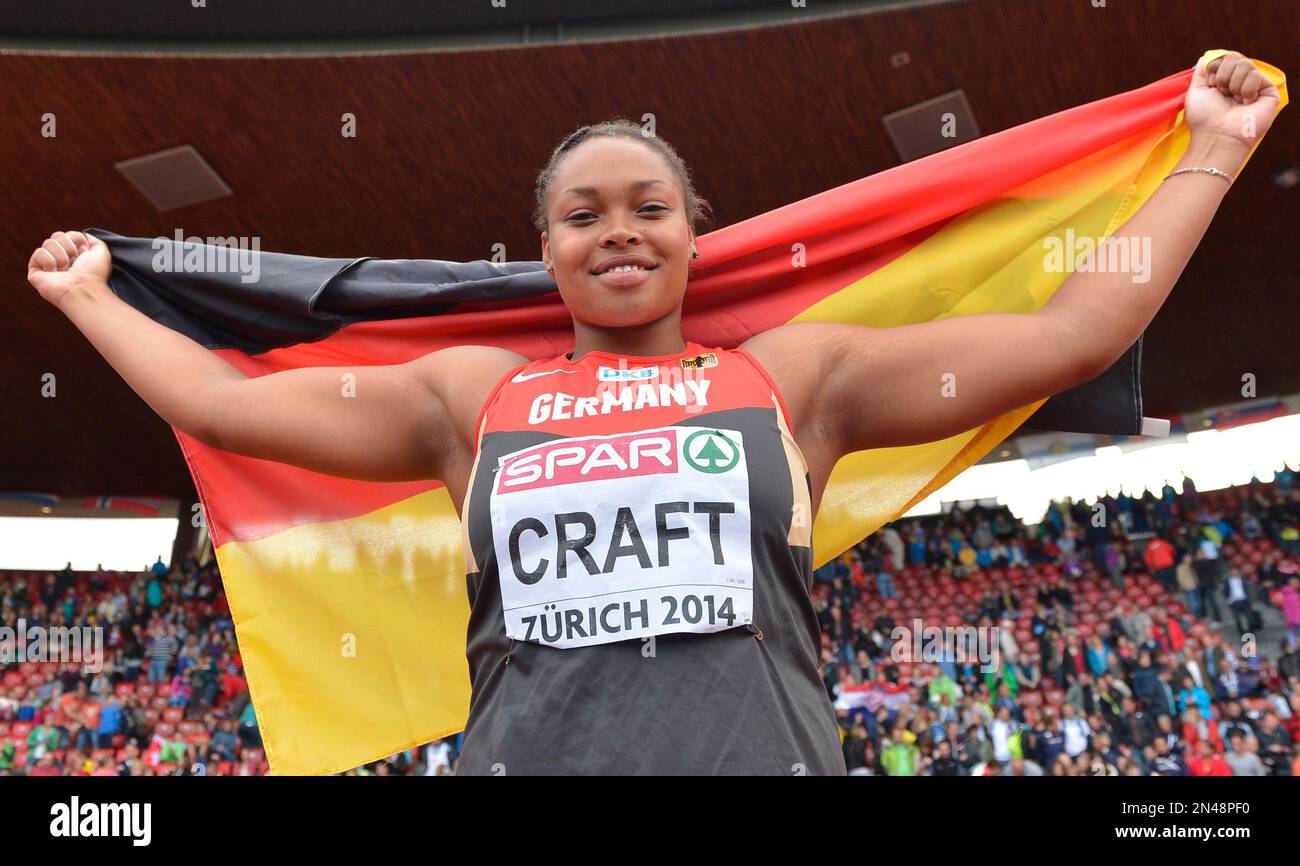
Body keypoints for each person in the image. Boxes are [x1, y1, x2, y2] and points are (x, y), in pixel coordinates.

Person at [26, 52, 1279, 775]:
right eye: (582, 215)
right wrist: (88, 296)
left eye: (648, 208)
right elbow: (219, 404)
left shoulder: (794, 379)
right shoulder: (472, 399)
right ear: (547, 250)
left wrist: (1213, 148)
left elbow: (1071, 335)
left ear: (691, 235)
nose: (617, 231)